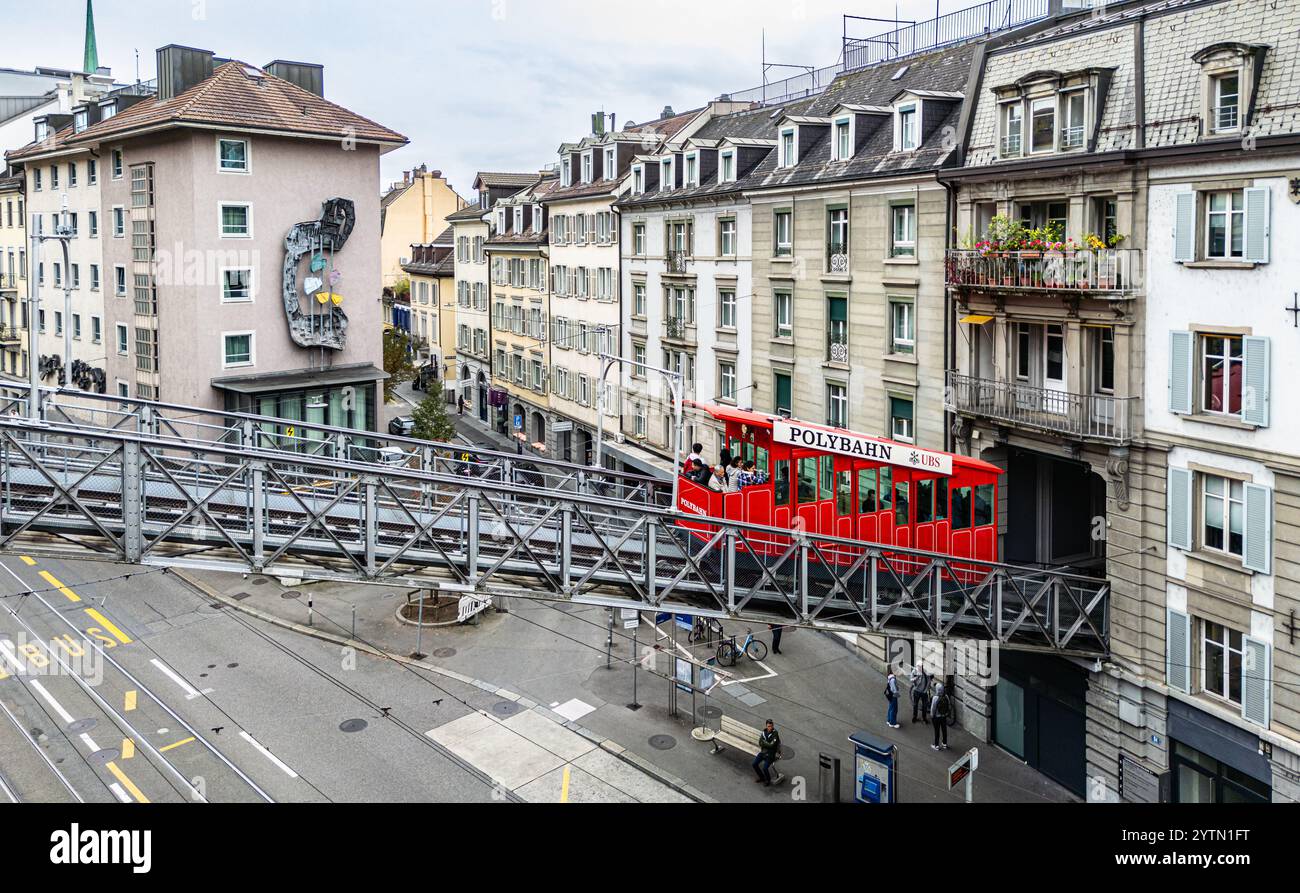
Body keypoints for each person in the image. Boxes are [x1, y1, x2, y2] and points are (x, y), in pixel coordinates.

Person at [753, 720, 781, 786]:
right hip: (763, 752)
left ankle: (768, 780)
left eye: (771, 726)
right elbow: (760, 743)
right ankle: (762, 777)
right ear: (766, 726)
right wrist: (766, 743)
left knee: (765, 768)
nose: (770, 728)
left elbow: (771, 745)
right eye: (768, 726)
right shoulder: (764, 732)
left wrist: (764, 742)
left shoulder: (775, 733)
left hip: (771, 754)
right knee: (754, 764)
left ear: (773, 726)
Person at [931, 683, 951, 751]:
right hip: (944, 716)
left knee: (937, 731)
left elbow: (933, 708)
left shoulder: (935, 698)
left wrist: (932, 715)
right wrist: (946, 713)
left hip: (936, 717)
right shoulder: (946, 696)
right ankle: (944, 744)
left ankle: (936, 745)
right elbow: (949, 705)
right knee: (944, 730)